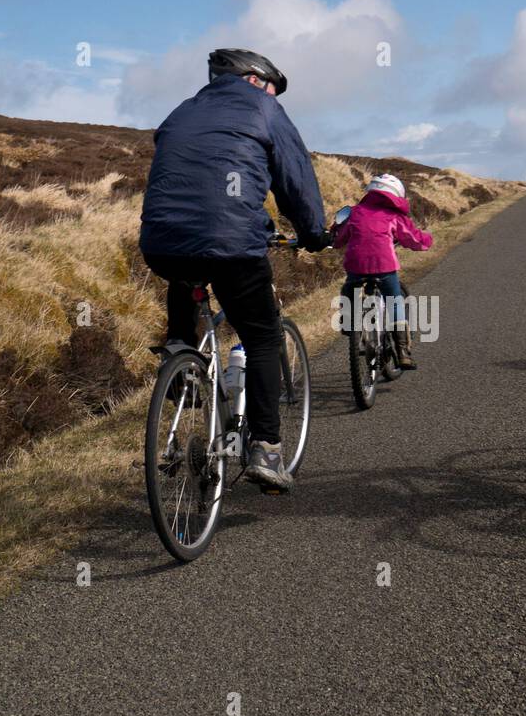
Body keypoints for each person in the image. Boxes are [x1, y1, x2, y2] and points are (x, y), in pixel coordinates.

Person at [140, 48, 327, 493]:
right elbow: (295, 182)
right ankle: (265, 447)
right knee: (262, 336)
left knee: (185, 275)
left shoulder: (181, 111)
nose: (272, 93)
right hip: (232, 244)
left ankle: (180, 352)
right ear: (254, 80)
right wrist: (315, 234)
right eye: (270, 85)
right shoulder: (266, 110)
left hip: (161, 242)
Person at [334, 173, 433, 368]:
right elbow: (412, 239)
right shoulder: (395, 216)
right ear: (396, 195)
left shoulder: (354, 212)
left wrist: (333, 239)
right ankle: (403, 351)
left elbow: (339, 238)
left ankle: (348, 323)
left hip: (356, 266)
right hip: (385, 267)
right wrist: (427, 240)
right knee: (395, 302)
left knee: (349, 289)